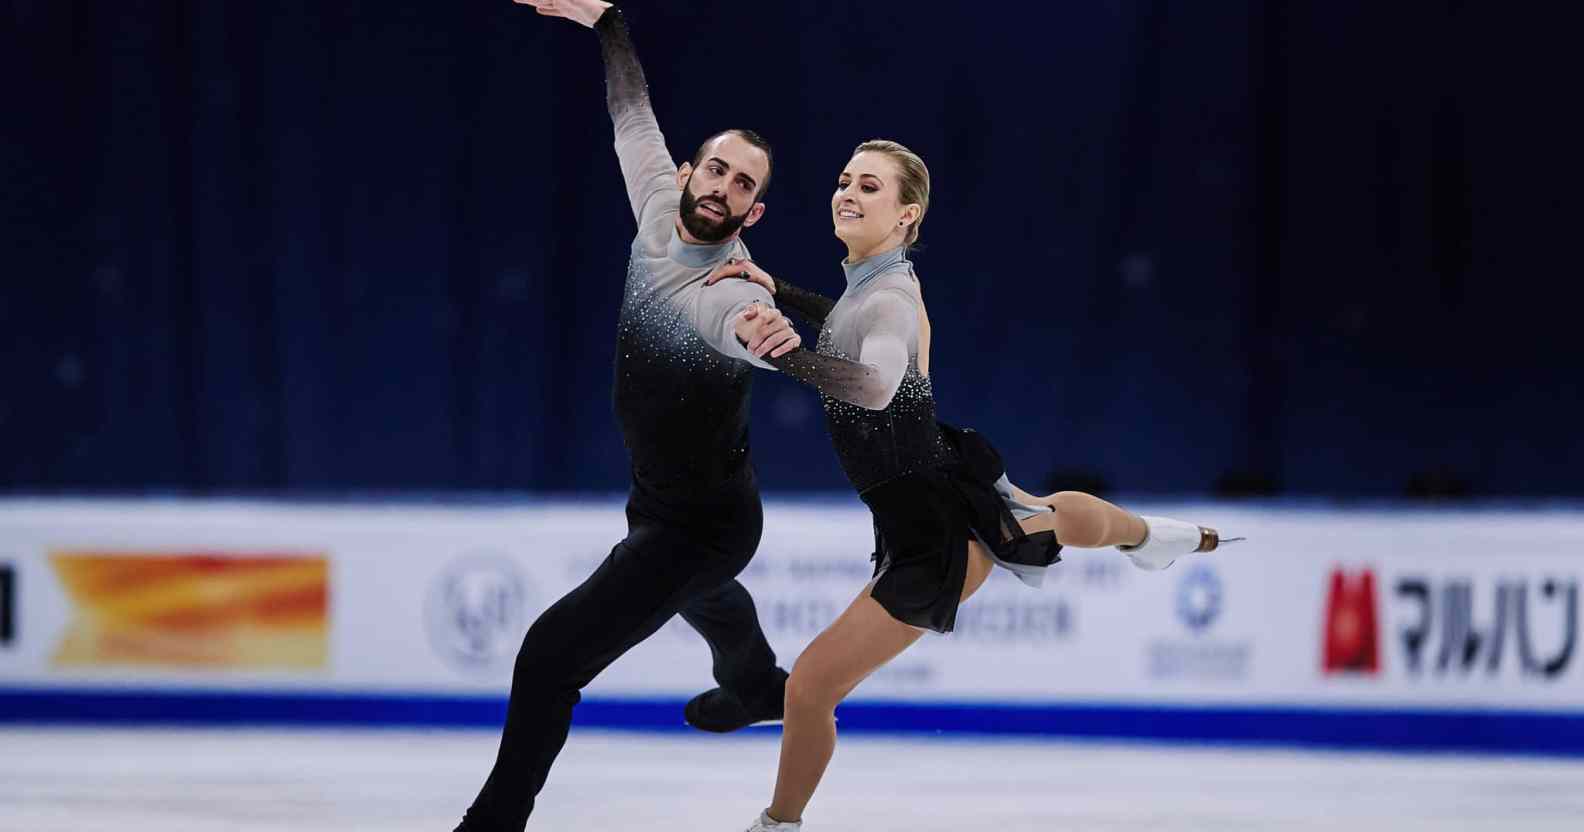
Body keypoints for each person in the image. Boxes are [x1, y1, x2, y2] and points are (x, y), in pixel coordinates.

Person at [708, 139, 1240, 831]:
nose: (847, 192)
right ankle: (1152, 537)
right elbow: (845, 327)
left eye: (870, 187)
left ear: (907, 215)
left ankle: (778, 824)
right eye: (844, 180)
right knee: (1040, 517)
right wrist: (782, 292)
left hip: (930, 533)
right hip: (937, 481)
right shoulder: (871, 283)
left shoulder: (891, 298)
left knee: (809, 688)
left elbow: (873, 387)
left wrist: (787, 353)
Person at [455, 2, 810, 828]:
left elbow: (756, 338)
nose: (723, 189)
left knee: (549, 656)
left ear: (753, 215)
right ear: (689, 173)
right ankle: (759, 685)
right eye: (717, 170)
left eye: (744, 186)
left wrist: (778, 330)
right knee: (707, 597)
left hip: (705, 523)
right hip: (670, 498)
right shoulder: (658, 200)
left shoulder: (728, 291)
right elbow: (631, 111)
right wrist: (606, 19)